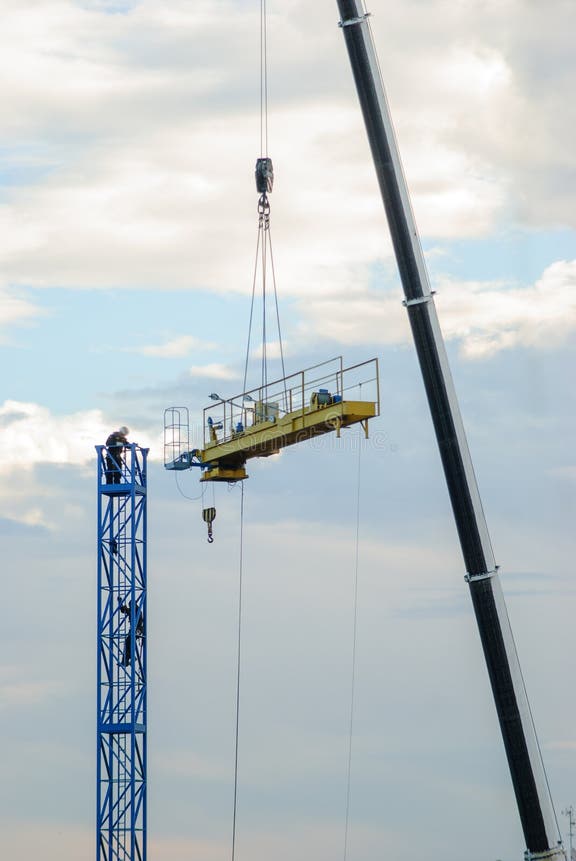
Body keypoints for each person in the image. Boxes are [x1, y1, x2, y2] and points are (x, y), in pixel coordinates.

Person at [119, 599, 144, 668]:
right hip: (134, 630)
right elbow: (125, 610)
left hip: (137, 630)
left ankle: (130, 657)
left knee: (128, 642)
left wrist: (122, 605)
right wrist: (120, 603)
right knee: (128, 643)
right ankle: (126, 660)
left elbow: (126, 610)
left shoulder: (136, 610)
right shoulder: (134, 610)